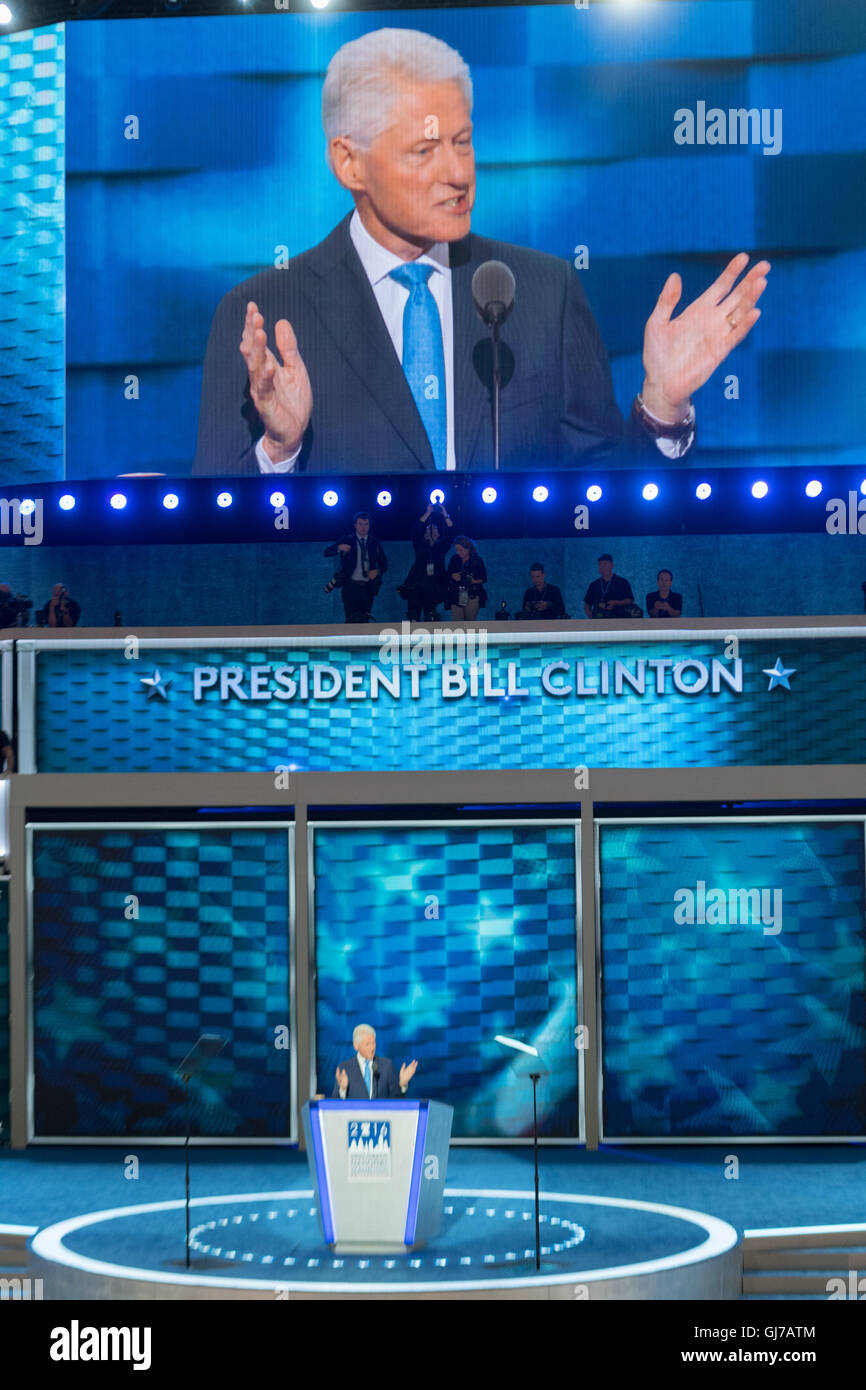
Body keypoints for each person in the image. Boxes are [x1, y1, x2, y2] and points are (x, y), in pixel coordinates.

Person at [193, 28, 769, 476]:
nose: (457, 174)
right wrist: (280, 448)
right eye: (424, 150)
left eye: (462, 142)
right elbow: (209, 550)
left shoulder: (545, 292)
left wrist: (662, 405)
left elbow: (605, 510)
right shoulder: (263, 315)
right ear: (349, 162)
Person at [323, 511, 388, 623]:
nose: (363, 527)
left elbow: (384, 564)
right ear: (355, 525)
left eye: (366, 524)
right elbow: (327, 552)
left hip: (368, 587)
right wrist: (339, 547)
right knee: (351, 620)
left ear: (369, 525)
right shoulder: (347, 539)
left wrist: (377, 571)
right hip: (350, 586)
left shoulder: (374, 543)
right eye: (360, 524)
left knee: (365, 620)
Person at [333, 1023, 418, 1100]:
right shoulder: (345, 1068)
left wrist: (402, 1084)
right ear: (356, 1046)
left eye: (373, 1043)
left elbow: (396, 1100)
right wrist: (343, 1089)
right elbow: (334, 1104)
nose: (372, 1048)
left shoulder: (386, 1065)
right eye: (367, 1044)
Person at [400, 502, 453, 620]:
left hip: (433, 587)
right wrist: (428, 512)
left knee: (430, 617)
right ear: (425, 534)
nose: (432, 531)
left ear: (438, 534)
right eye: (429, 529)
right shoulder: (420, 545)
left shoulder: (441, 547)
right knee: (413, 616)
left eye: (435, 530)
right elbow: (416, 529)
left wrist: (445, 514)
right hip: (416, 586)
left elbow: (451, 532)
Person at [447, 535, 486, 620]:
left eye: (461, 550)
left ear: (468, 548)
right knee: (457, 624)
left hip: (472, 594)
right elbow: (448, 575)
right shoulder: (455, 559)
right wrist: (452, 576)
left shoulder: (477, 560)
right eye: (457, 550)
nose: (458, 552)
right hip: (456, 595)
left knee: (469, 624)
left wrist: (473, 581)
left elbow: (484, 578)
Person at [584, 554, 635, 619]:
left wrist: (616, 603)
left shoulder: (622, 582)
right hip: (599, 620)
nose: (602, 567)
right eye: (600, 565)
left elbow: (630, 600)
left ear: (612, 565)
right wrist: (591, 617)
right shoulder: (594, 585)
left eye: (605, 564)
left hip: (619, 620)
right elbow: (587, 605)